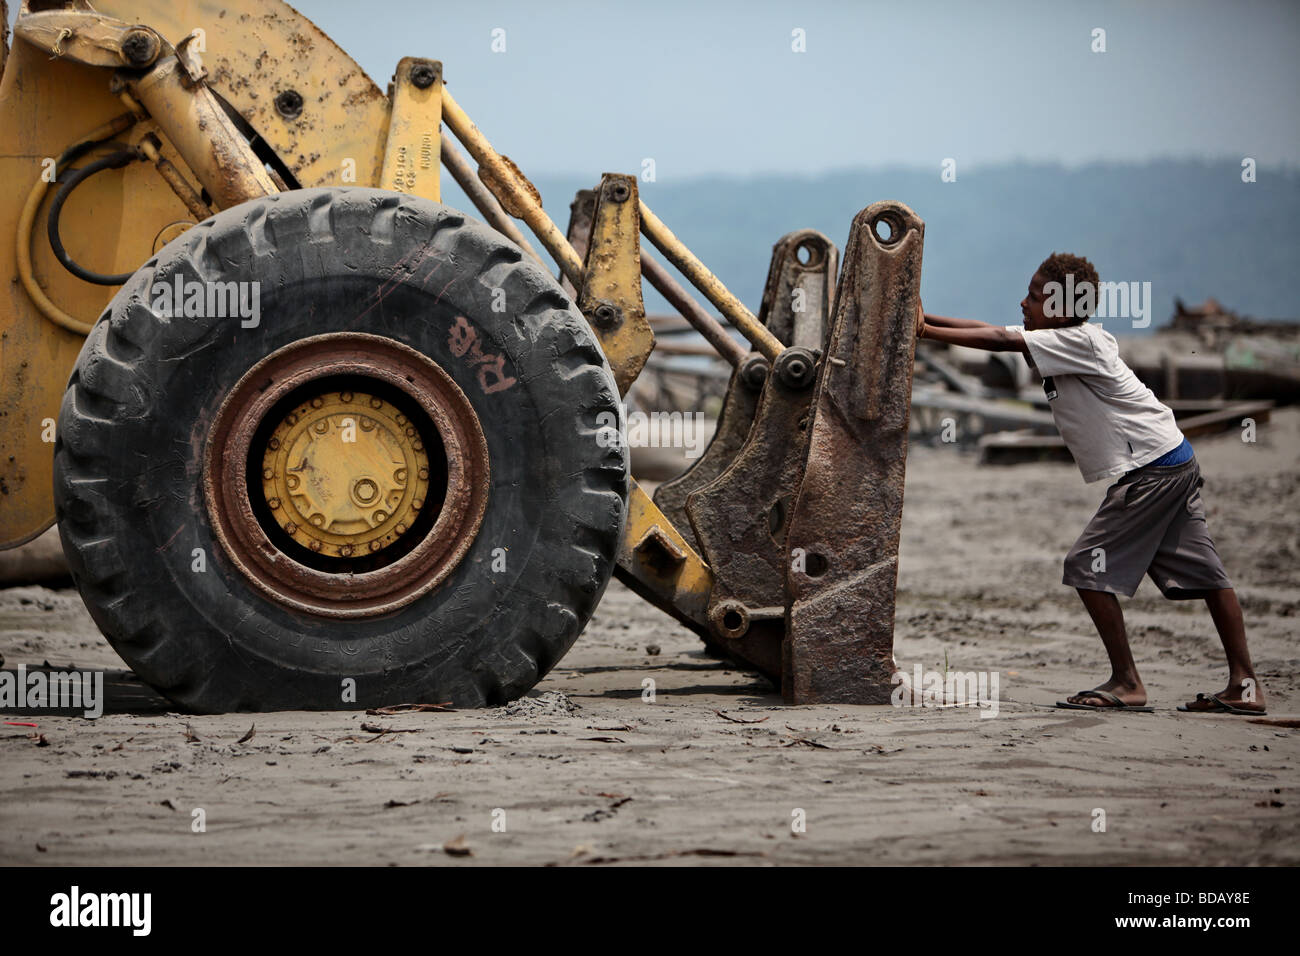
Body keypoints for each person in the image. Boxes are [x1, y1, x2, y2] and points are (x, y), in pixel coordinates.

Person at [917, 252, 1265, 714]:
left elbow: (1000, 338)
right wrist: (924, 316)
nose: (1024, 303)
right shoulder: (1060, 336)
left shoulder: (1077, 341)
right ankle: (1247, 686)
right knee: (1207, 575)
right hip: (1173, 459)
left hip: (1152, 470)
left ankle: (1127, 682)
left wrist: (923, 332)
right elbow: (990, 326)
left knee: (1086, 565)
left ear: (1063, 306)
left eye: (1036, 296)